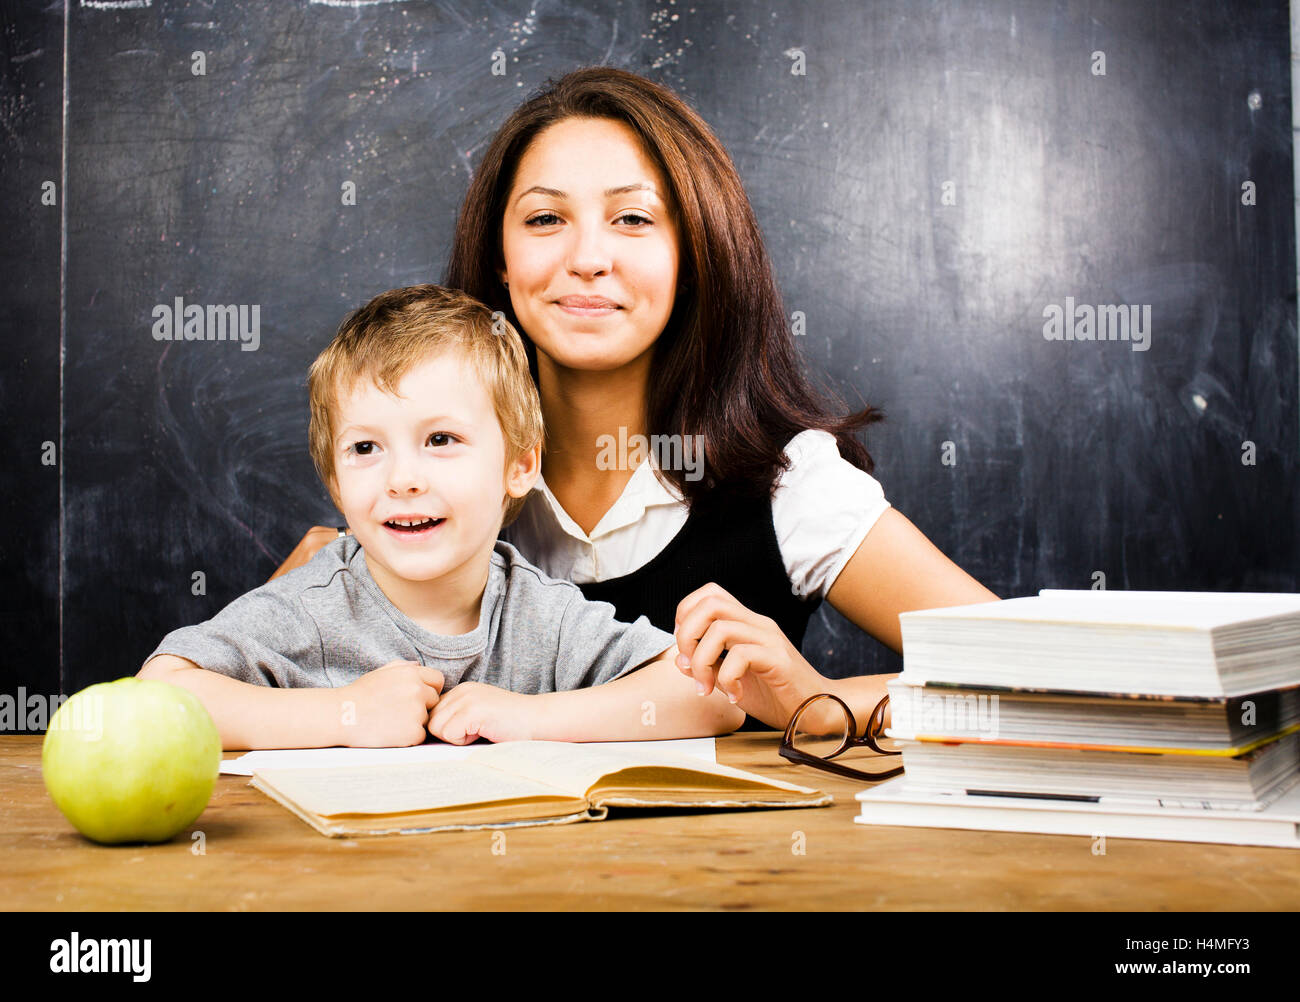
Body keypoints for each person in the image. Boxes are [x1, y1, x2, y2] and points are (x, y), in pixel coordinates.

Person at [277, 66, 998, 739]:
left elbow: (1034, 680)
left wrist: (819, 702)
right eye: (544, 220)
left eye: (633, 220)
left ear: (694, 254)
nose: (588, 258)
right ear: (501, 257)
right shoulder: (423, 489)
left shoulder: (788, 485)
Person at [138, 284, 744, 749]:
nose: (403, 479)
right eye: (365, 449)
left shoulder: (540, 615)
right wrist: (344, 714)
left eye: (441, 440)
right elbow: (158, 695)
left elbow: (712, 698)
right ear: (335, 482)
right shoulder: (312, 608)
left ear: (520, 465)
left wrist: (528, 718)